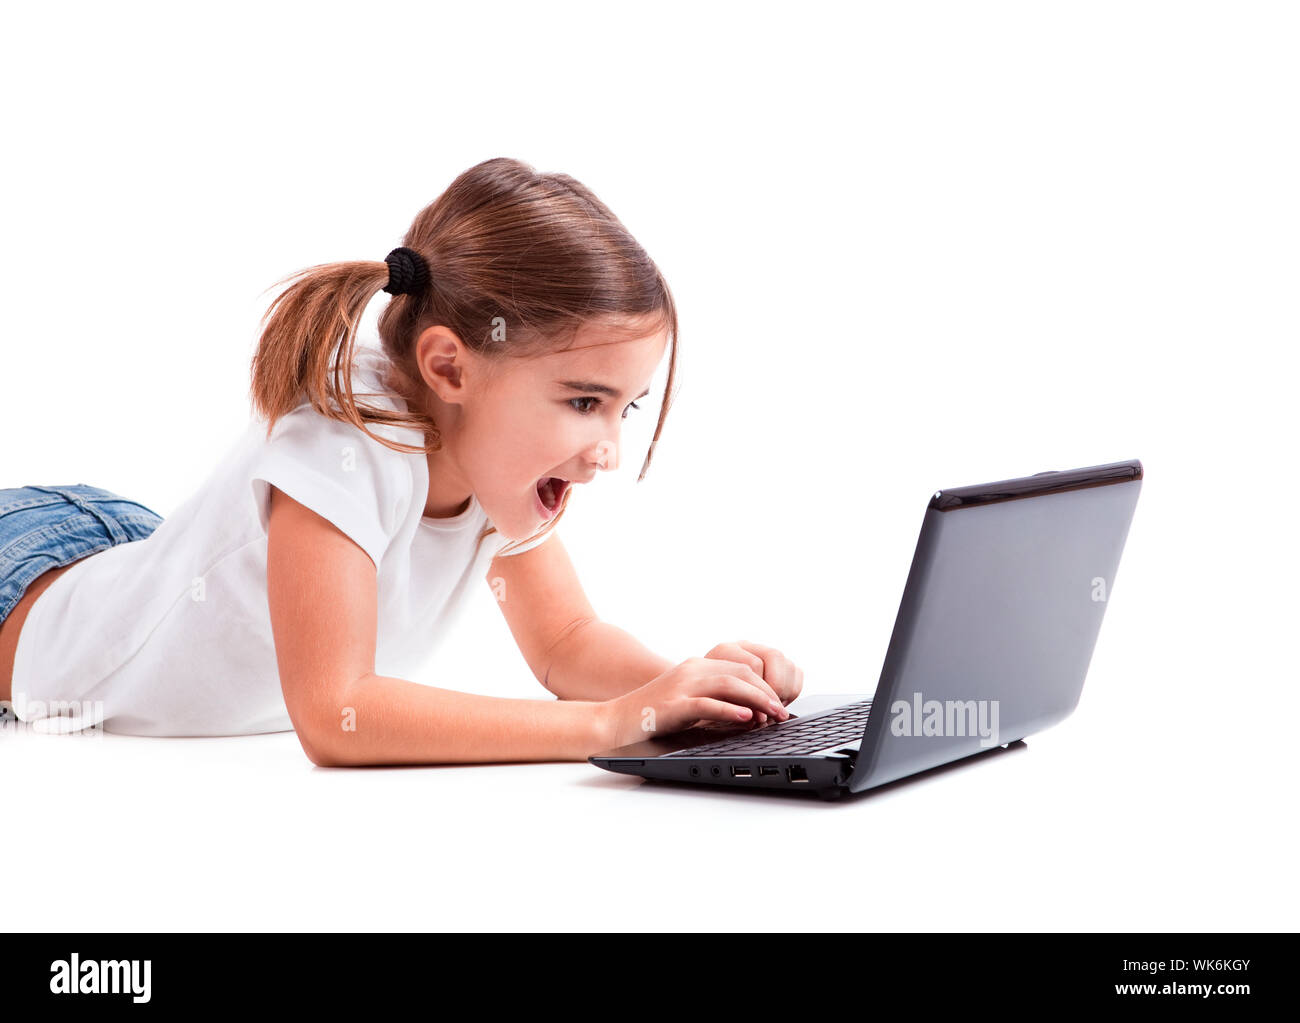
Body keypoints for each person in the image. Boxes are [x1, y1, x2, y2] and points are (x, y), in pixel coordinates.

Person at [0, 157, 803, 765]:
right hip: (25, 590)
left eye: (623, 408)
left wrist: (691, 693)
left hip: (127, 552)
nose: (607, 452)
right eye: (583, 402)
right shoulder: (348, 443)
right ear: (450, 367)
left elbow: (566, 641)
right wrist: (609, 723)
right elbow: (334, 711)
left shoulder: (496, 461)